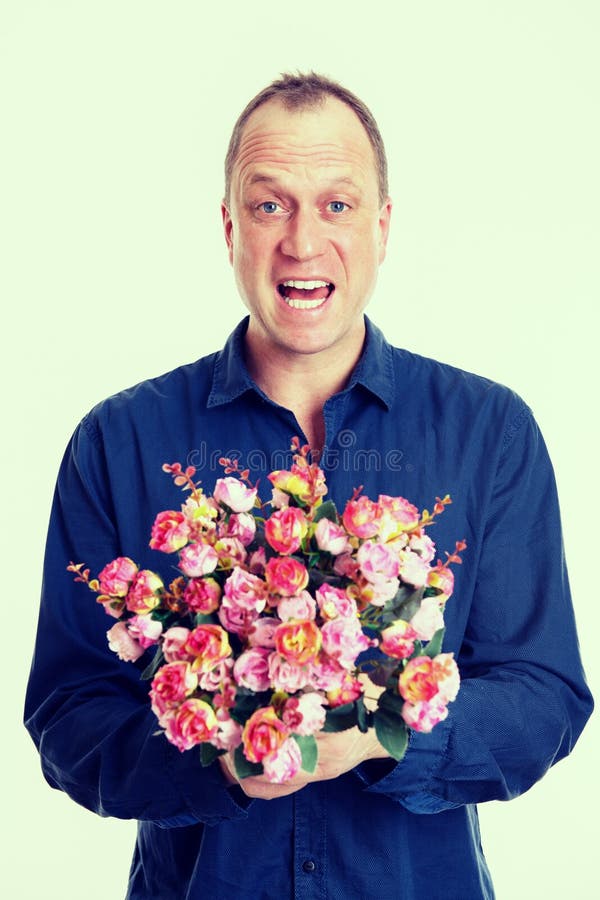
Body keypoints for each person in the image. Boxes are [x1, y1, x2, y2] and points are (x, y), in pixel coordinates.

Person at [25, 72, 593, 899]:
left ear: (382, 226)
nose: (301, 241)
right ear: (228, 228)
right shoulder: (118, 441)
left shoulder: (488, 432)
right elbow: (68, 713)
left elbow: (543, 698)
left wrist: (384, 735)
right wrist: (211, 761)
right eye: (268, 206)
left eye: (336, 205)